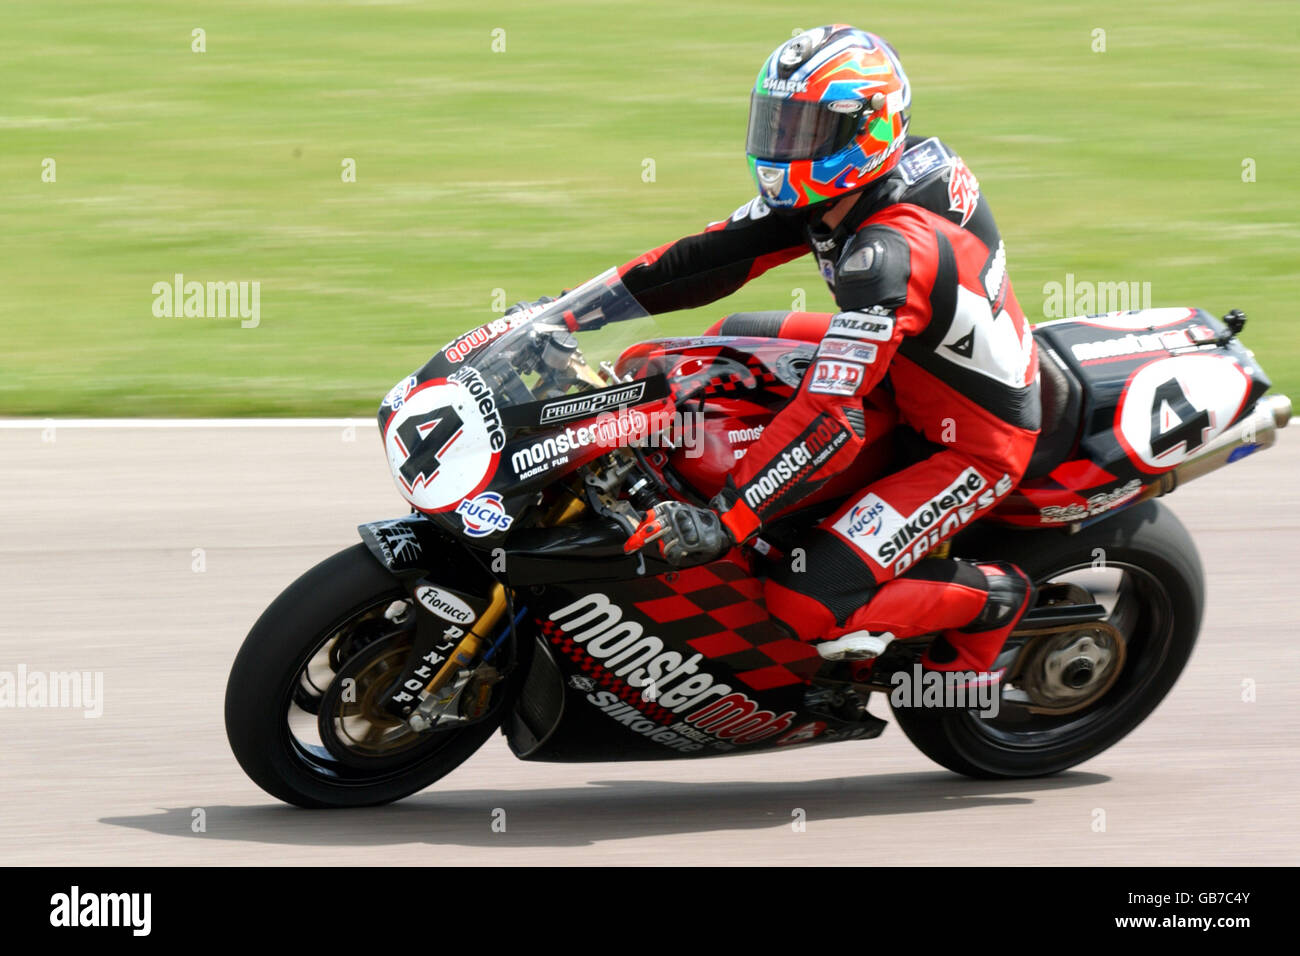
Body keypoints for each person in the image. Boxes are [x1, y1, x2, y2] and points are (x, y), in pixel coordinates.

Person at [535, 25, 1041, 674]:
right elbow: (704, 259)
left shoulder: (888, 257)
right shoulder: (854, 188)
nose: (782, 147)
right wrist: (565, 313)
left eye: (804, 131)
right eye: (778, 124)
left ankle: (993, 600)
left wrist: (726, 521)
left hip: (970, 441)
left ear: (868, 132)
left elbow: (832, 415)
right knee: (700, 349)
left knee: (804, 602)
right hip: (904, 367)